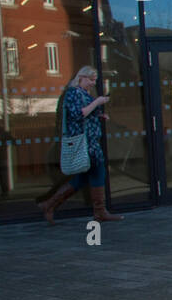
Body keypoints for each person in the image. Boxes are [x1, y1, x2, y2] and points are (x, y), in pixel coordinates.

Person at [37, 66, 123, 224]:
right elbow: (79, 114)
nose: (93, 83)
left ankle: (50, 205)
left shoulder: (82, 94)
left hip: (90, 142)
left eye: (95, 80)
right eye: (91, 80)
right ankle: (99, 212)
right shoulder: (73, 93)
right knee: (97, 171)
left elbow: (86, 115)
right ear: (81, 77)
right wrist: (97, 102)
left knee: (84, 176)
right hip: (85, 143)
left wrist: (99, 116)